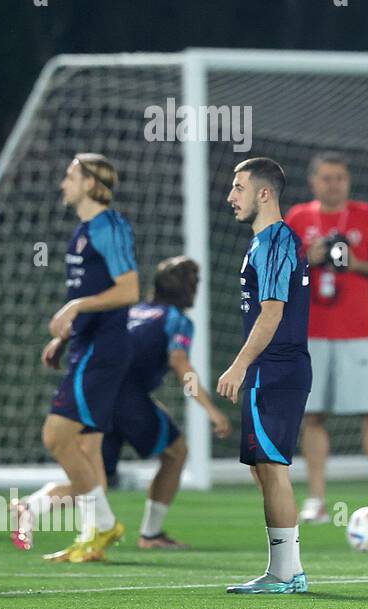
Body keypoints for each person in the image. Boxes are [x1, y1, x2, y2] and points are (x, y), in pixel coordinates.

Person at [14, 155, 139, 563]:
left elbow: (129, 290)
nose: (63, 182)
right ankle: (93, 537)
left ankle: (100, 523)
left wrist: (75, 306)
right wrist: (66, 334)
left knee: (56, 435)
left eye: (70, 175)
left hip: (104, 350)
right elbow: (97, 296)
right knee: (87, 449)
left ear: (89, 183)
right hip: (87, 345)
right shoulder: (84, 231)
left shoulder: (109, 226)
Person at [284, 154, 368, 521]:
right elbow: (279, 270)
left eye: (341, 178)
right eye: (327, 178)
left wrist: (355, 264)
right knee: (312, 415)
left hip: (357, 331)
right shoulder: (298, 217)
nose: (334, 184)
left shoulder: (364, 214)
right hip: (311, 331)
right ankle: (316, 500)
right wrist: (307, 260)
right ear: (313, 182)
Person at [219, 157, 312, 594]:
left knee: (271, 468)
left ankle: (285, 574)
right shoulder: (264, 243)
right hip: (273, 371)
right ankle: (285, 568)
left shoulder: (276, 242)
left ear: (264, 193)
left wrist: (240, 364)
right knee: (263, 468)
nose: (230, 197)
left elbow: (272, 313)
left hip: (275, 371)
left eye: (238, 188)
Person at [98, 256, 233, 548]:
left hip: (100, 395)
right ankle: (151, 534)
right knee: (176, 453)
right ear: (188, 290)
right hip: (127, 397)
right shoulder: (176, 320)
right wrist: (211, 410)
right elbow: (180, 362)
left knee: (98, 478)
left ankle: (33, 507)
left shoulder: (134, 311)